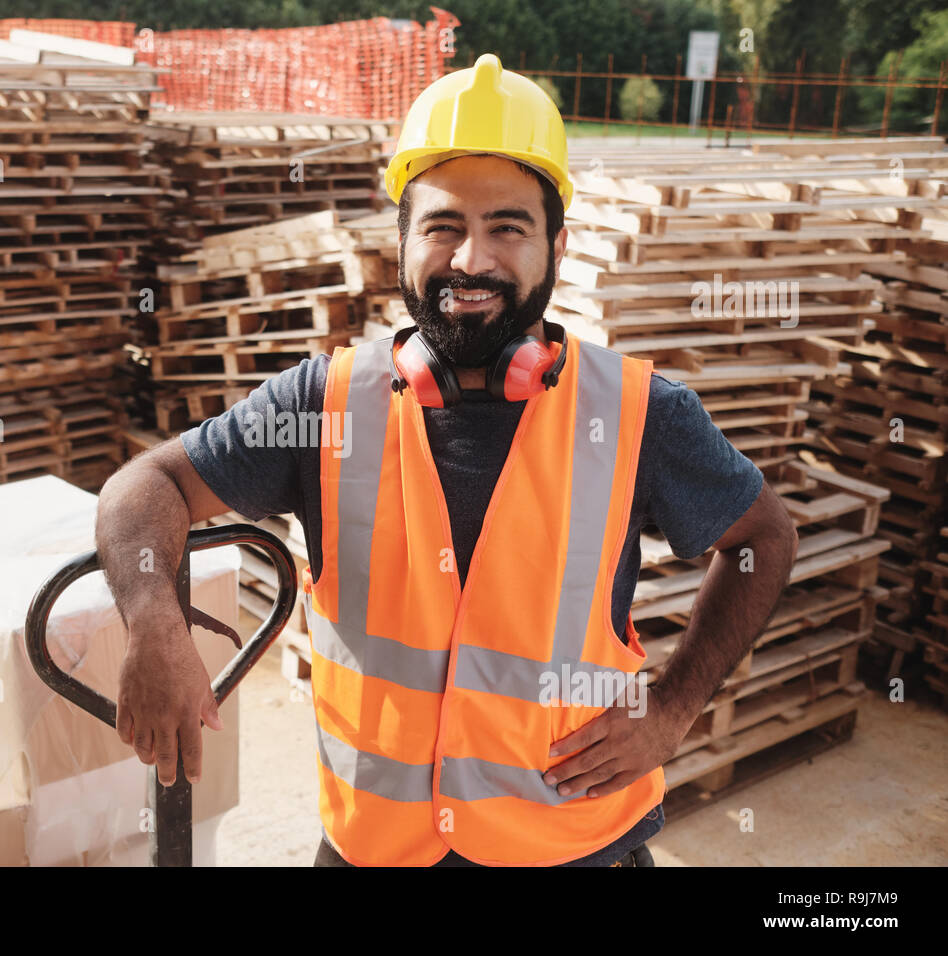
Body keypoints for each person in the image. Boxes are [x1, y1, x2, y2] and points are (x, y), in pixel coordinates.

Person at [94, 53, 799, 867]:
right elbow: (146, 484)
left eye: (507, 226)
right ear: (402, 240)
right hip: (375, 849)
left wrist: (673, 708)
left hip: (573, 846)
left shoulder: (640, 414)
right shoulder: (321, 405)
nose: (470, 260)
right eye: (442, 226)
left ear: (556, 247)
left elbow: (763, 537)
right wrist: (154, 623)